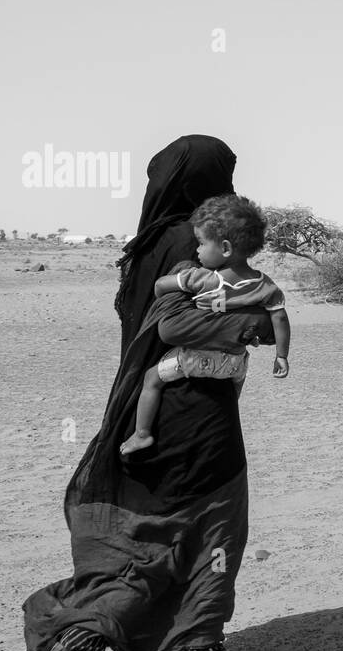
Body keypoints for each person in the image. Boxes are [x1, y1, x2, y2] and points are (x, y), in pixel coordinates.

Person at [23, 135, 272, 651]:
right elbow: (181, 327)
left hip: (140, 410)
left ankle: (82, 641)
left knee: (149, 540)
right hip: (197, 413)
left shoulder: (145, 245)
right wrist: (251, 328)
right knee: (214, 531)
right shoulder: (201, 242)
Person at [120, 194, 290, 456]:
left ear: (225, 248)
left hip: (194, 360)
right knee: (232, 391)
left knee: (151, 379)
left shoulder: (206, 279)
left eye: (200, 243)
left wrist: (174, 283)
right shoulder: (265, 285)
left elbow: (160, 287)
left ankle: (141, 434)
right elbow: (279, 318)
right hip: (235, 365)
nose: (197, 251)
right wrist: (281, 355)